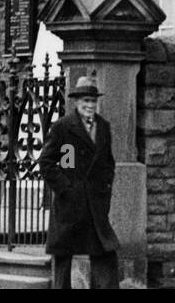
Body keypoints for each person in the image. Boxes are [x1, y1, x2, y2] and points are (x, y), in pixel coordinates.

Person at [38, 75, 120, 289]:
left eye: (93, 101)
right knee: (63, 255)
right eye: (85, 101)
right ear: (76, 102)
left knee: (104, 251)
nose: (90, 105)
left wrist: (105, 190)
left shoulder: (103, 127)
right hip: (70, 204)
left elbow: (107, 163)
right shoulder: (63, 127)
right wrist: (66, 188)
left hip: (94, 203)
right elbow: (47, 162)